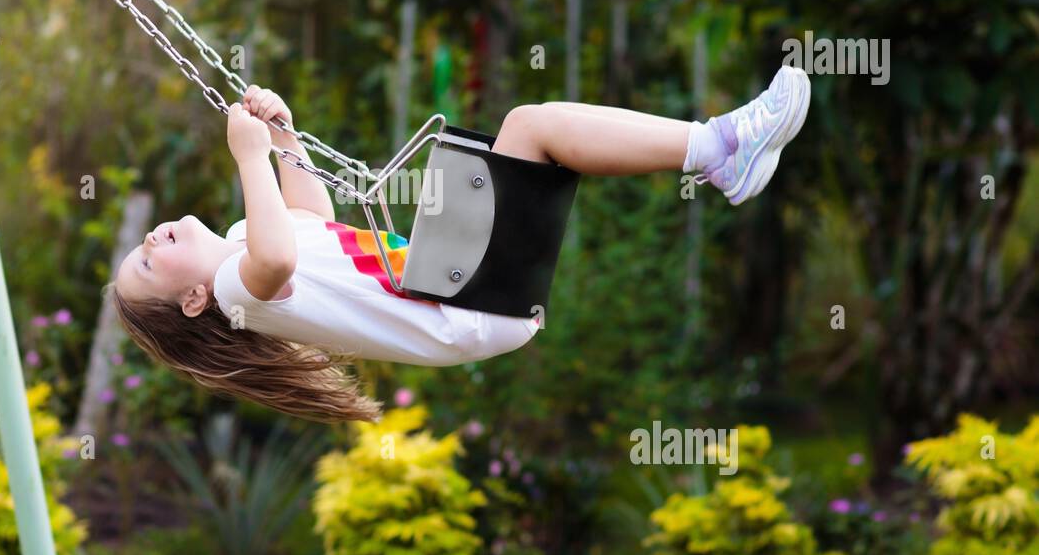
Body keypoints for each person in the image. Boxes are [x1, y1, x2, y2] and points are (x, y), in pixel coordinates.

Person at [112, 66, 810, 422]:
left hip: (448, 277)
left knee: (531, 126)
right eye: (147, 262)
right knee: (532, 130)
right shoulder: (238, 293)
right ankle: (720, 147)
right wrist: (249, 156)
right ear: (194, 300)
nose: (149, 239)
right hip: (460, 303)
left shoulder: (243, 241)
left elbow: (308, 217)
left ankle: (720, 149)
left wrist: (282, 133)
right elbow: (279, 257)